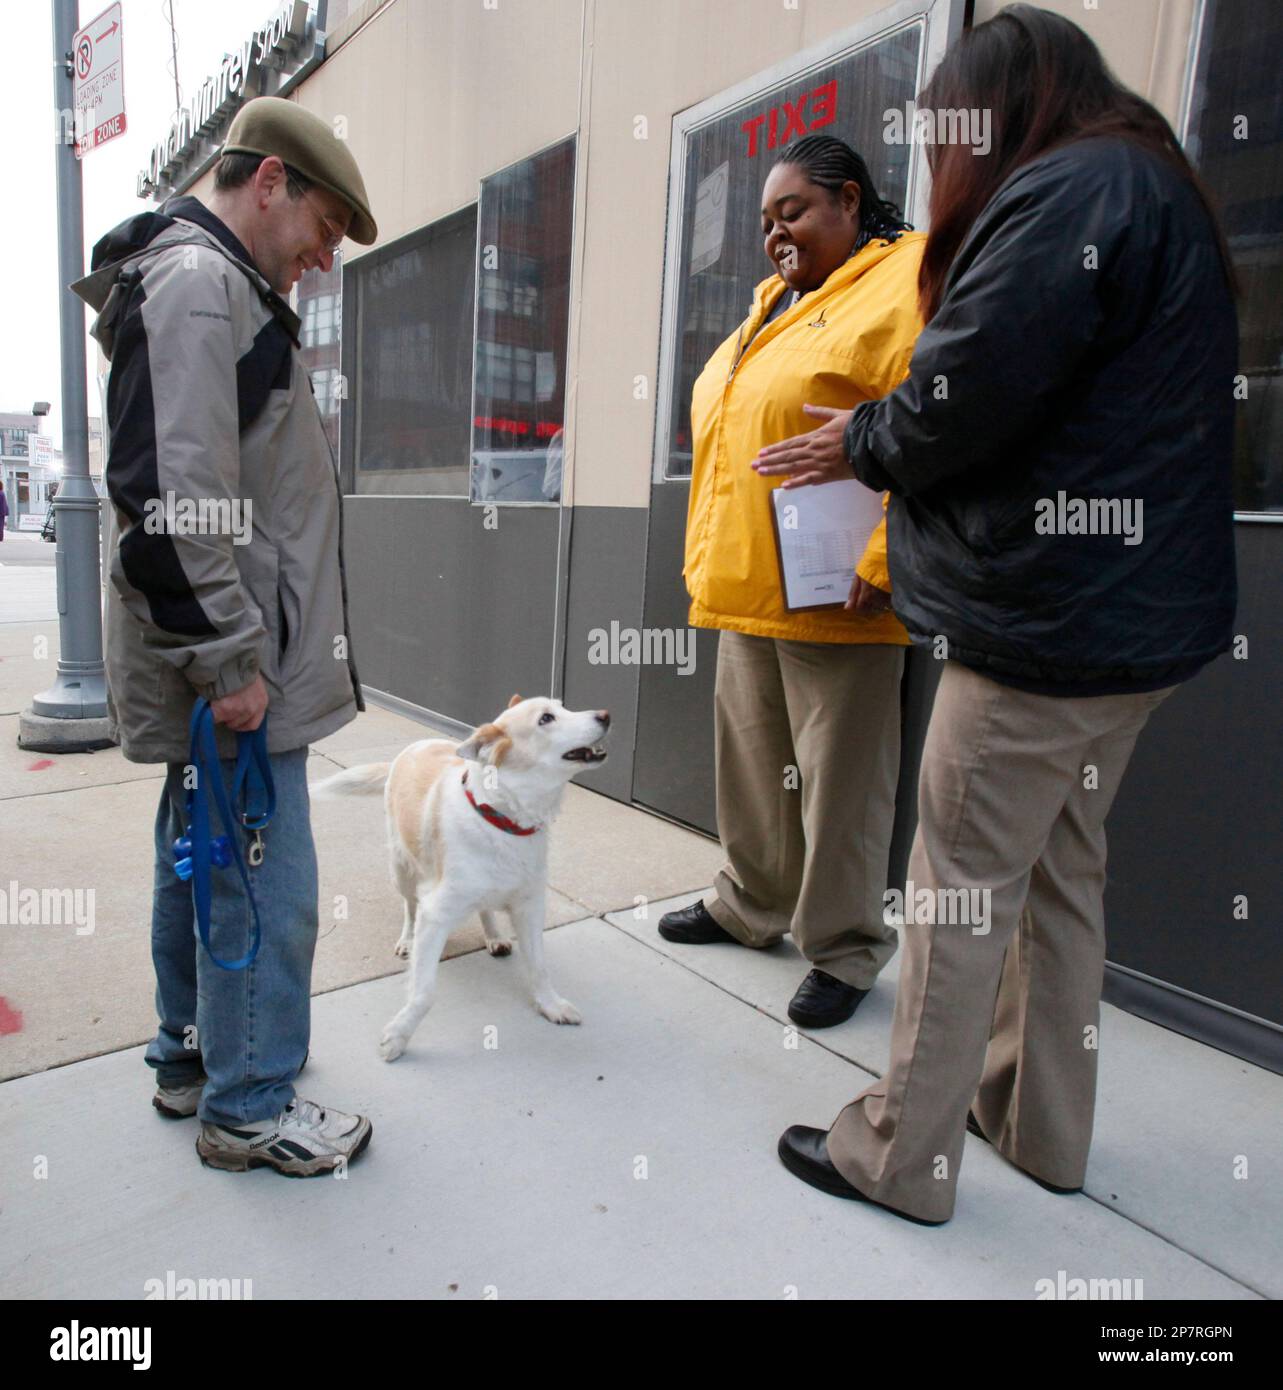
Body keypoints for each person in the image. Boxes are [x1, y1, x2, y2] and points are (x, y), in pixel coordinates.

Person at [758, 5, 1238, 1223]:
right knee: (1061, 881)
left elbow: (963, 389)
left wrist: (862, 439)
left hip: (1038, 627)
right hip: (1132, 634)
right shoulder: (1157, 187)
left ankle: (897, 1155)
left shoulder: (1063, 194)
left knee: (959, 891)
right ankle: (1038, 1124)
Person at [72, 97, 380, 1177]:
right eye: (323, 231)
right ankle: (251, 1103)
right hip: (234, 662)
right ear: (268, 184)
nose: (323, 259)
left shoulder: (204, 286)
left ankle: (192, 1056)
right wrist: (232, 663)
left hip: (221, 652)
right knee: (263, 878)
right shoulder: (203, 291)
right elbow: (170, 499)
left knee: (198, 858)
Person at [661, 135, 926, 1028]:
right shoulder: (776, 301)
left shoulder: (908, 276)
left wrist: (888, 557)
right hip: (748, 581)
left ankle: (844, 947)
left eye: (794, 212)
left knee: (842, 785)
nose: (775, 233)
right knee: (753, 774)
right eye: (766, 220)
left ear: (850, 202)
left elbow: (936, 422)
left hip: (840, 592)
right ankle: (748, 904)